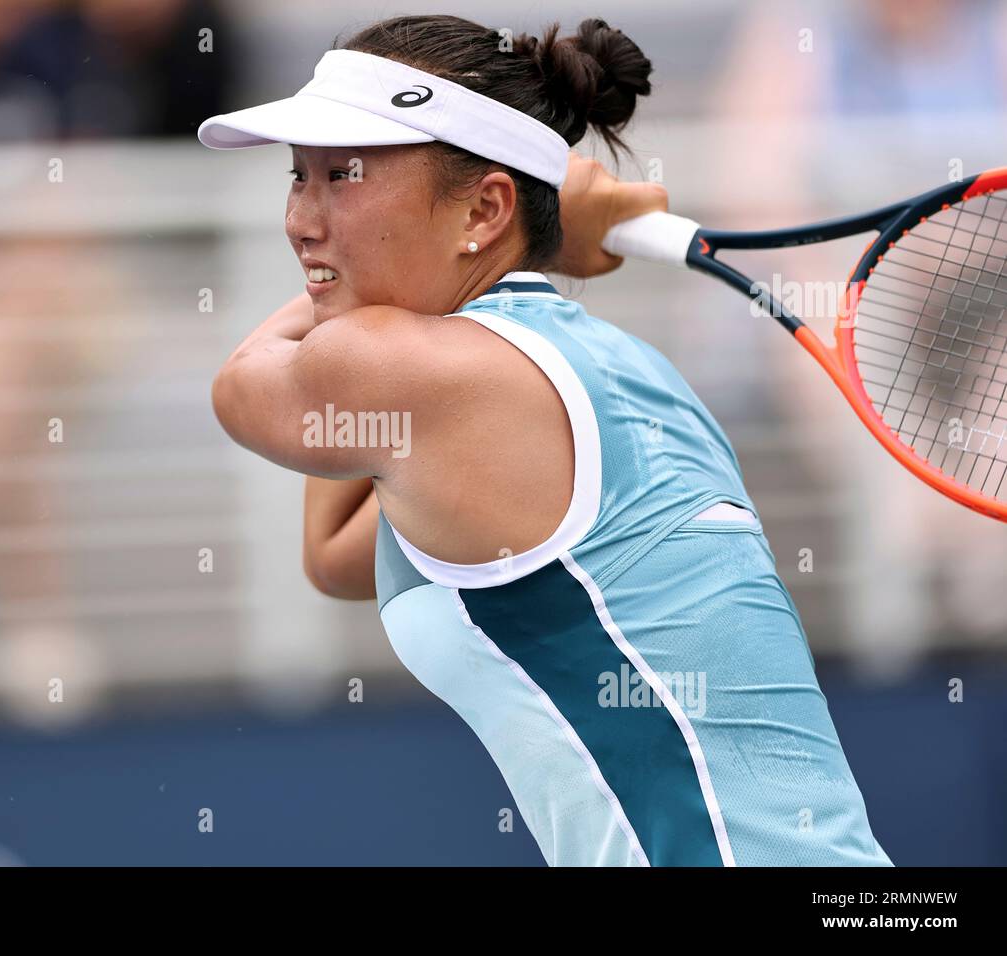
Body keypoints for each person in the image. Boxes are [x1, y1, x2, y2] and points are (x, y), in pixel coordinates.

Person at [200, 14, 891, 866]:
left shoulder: (437, 379)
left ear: (486, 208)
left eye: (343, 175)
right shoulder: (626, 373)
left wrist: (554, 224)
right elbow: (335, 553)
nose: (301, 220)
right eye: (297, 176)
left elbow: (244, 385)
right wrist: (528, 230)